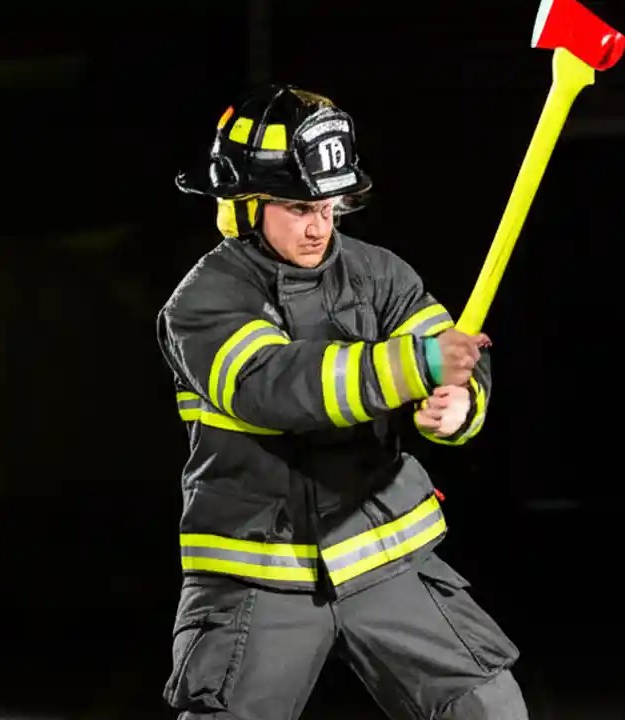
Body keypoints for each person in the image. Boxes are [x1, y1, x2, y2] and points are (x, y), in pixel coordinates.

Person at [156, 84, 528, 720]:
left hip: (384, 553)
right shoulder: (203, 301)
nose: (318, 226)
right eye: (299, 207)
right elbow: (277, 387)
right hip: (260, 573)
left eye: (330, 207)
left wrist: (458, 405)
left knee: (487, 709)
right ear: (243, 205)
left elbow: (453, 352)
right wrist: (417, 366)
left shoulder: (379, 272)